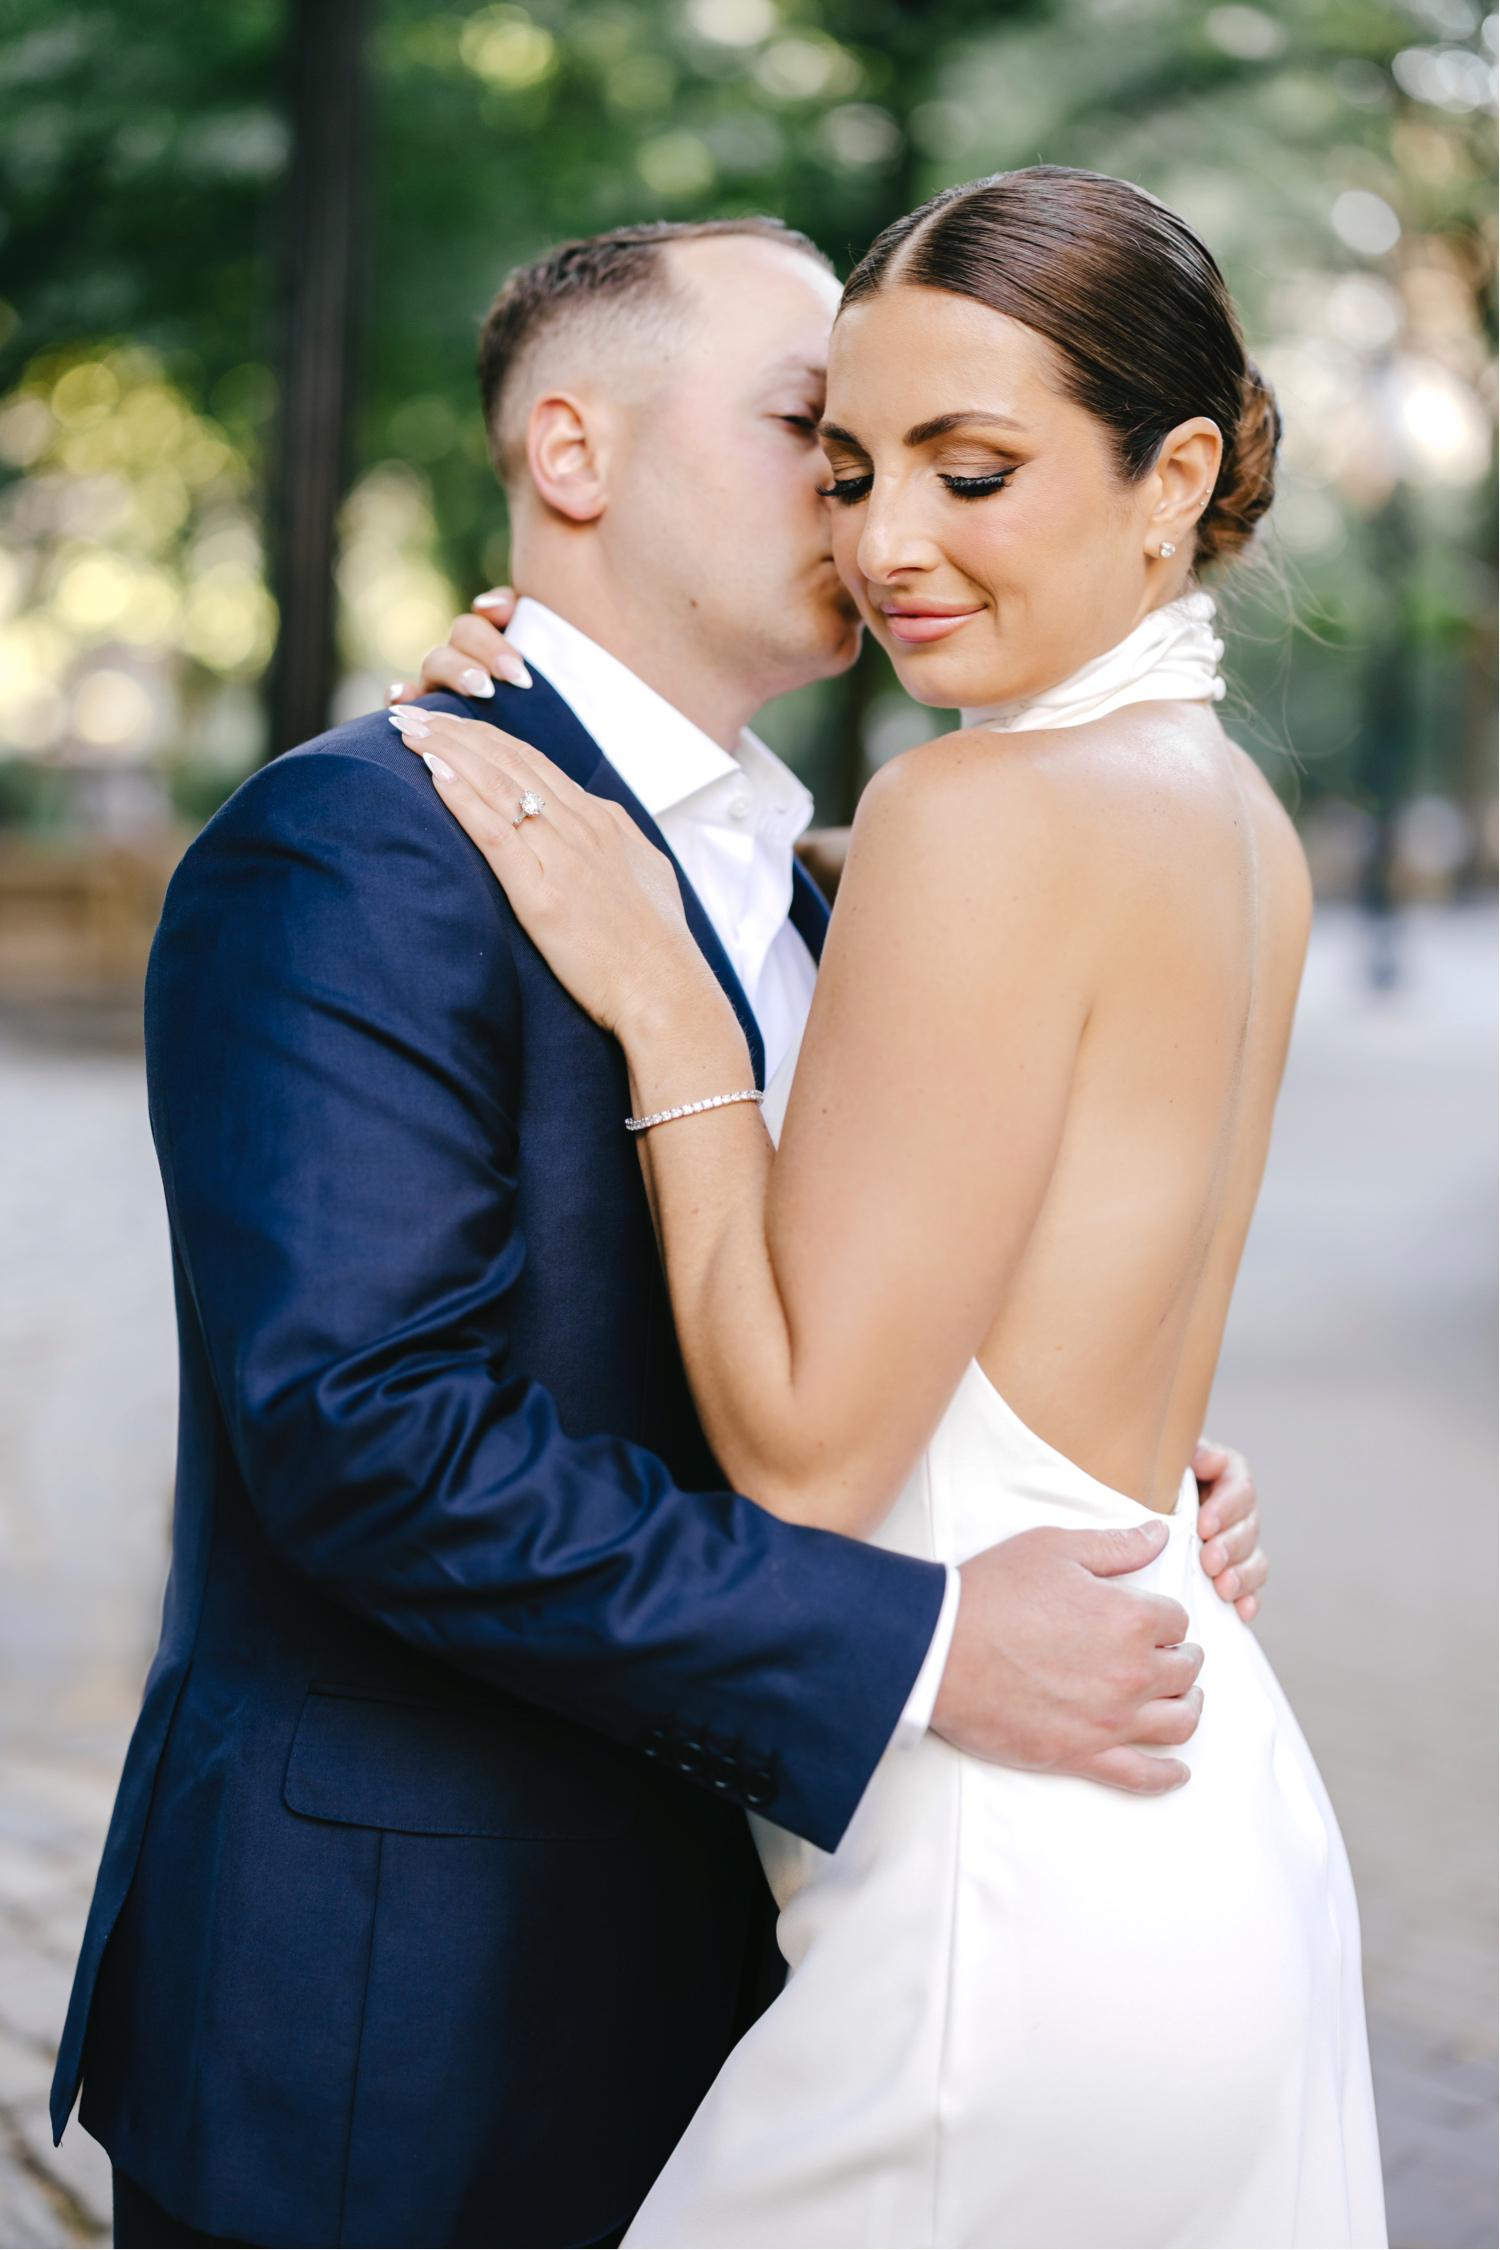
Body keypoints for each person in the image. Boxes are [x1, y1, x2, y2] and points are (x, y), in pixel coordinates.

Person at [53, 215, 1267, 2250]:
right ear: (573, 454)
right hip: (407, 2008)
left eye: (902, 447)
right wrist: (940, 1644)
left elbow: (843, 1326)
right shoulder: (355, 846)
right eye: (818, 428)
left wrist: (1092, 1472)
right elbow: (370, 1440)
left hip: (764, 1978)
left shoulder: (827, 889)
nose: (869, 504)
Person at [389, 171, 1386, 2248]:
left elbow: (812, 1449)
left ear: (1171, 473)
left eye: (973, 467)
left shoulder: (977, 818)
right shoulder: (1231, 820)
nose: (888, 542)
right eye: (846, 468)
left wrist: (665, 979)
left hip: (999, 1911)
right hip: (1196, 1839)